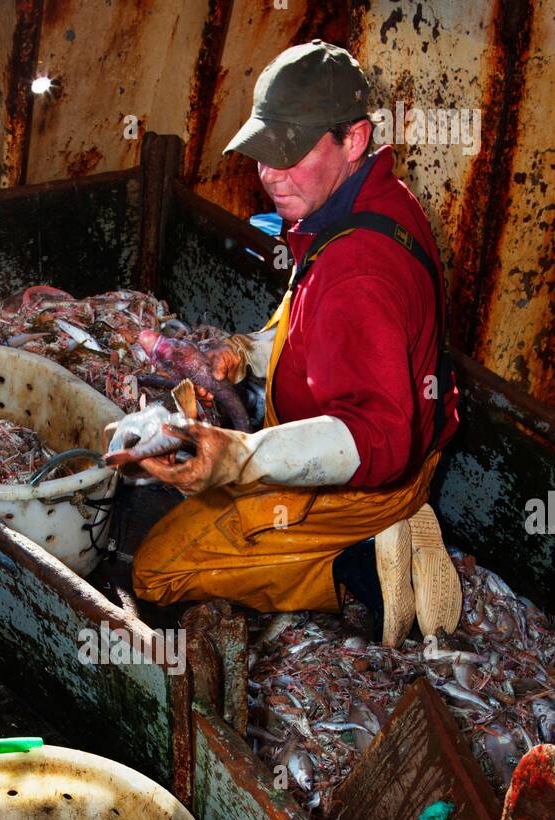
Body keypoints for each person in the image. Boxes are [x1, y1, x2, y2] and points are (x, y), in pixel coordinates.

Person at [111, 40, 462, 647]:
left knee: (156, 572)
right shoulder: (373, 201)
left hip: (362, 484)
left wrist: (238, 458)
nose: (270, 174)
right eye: (262, 153)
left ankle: (355, 568)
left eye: (290, 153)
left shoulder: (361, 271)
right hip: (396, 439)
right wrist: (249, 351)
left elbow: (379, 435)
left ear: (353, 139)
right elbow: (317, 324)